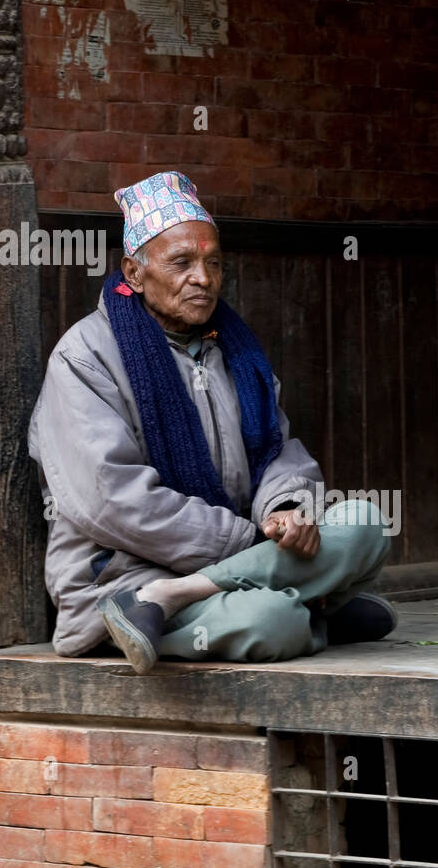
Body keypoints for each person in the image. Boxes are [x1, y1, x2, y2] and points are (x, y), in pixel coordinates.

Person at [28, 170, 397, 674]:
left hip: (232, 557)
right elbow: (111, 500)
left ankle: (197, 595)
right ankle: (310, 603)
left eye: (213, 262)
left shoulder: (234, 349)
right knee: (272, 621)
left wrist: (287, 508)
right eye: (181, 262)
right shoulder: (85, 356)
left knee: (365, 523)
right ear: (133, 273)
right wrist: (245, 542)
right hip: (122, 582)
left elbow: (278, 453)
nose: (203, 278)